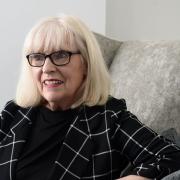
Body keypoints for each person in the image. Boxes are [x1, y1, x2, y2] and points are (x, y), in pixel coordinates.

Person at [0, 14, 180, 180]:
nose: (47, 68)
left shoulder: (109, 118)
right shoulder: (13, 113)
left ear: (86, 64)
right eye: (38, 57)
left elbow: (171, 157)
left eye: (61, 55)